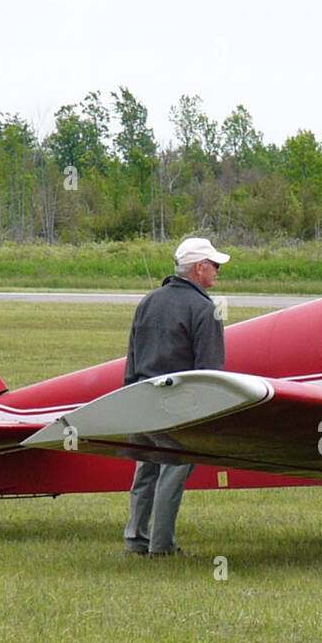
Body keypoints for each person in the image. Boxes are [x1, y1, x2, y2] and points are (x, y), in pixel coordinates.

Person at [123, 236, 229, 557]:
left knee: (146, 472)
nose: (218, 272)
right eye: (214, 265)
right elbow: (209, 371)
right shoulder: (204, 309)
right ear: (199, 268)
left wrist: (130, 400)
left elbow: (132, 357)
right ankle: (162, 546)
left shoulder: (148, 302)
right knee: (173, 471)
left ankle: (136, 539)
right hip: (178, 405)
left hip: (142, 397)